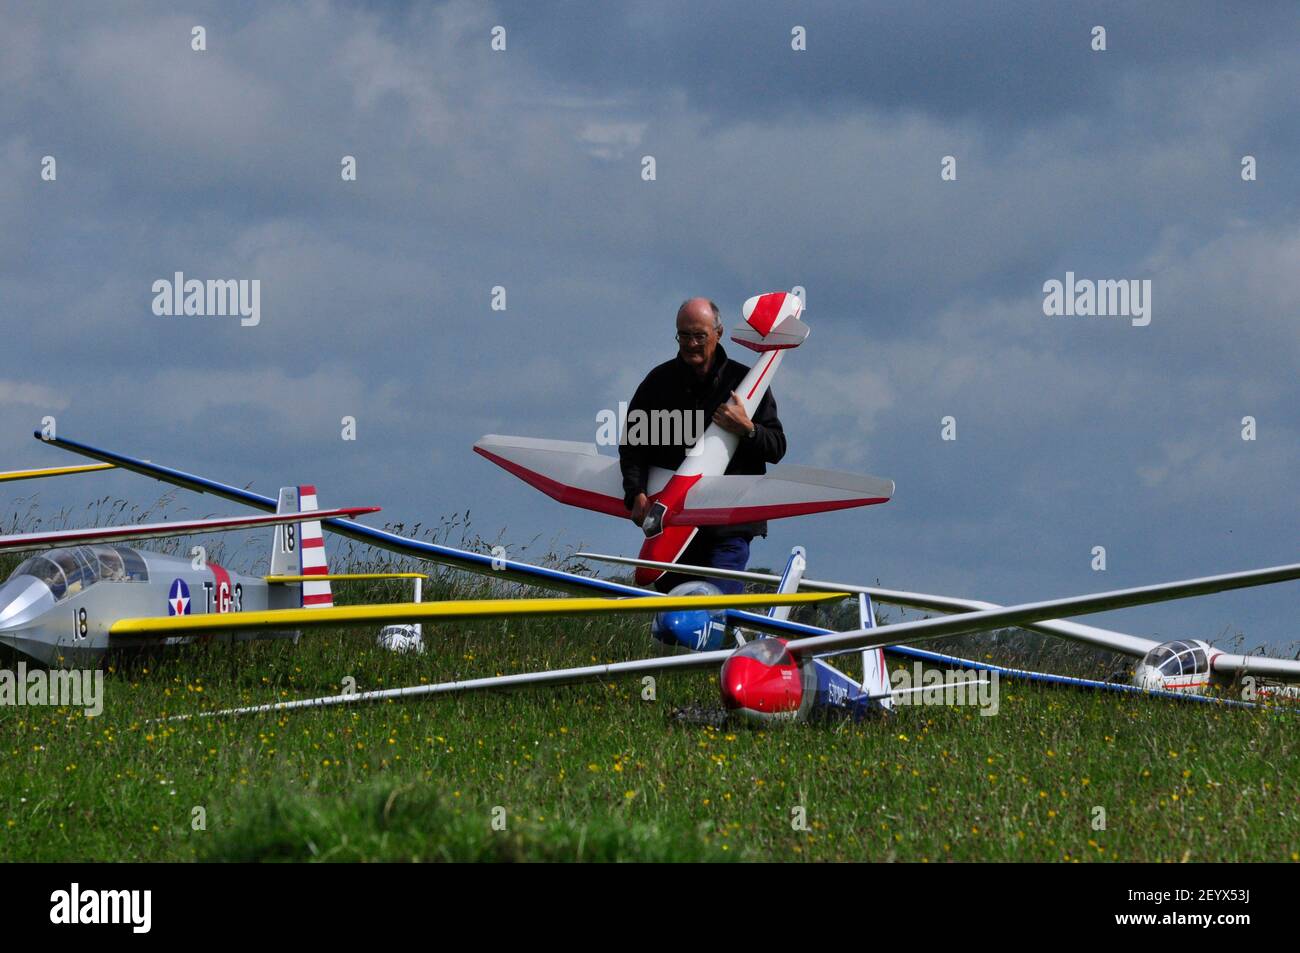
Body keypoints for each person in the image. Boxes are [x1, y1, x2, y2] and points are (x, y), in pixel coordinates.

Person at [619, 297, 786, 593]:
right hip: (672, 522)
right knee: (669, 616)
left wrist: (746, 429)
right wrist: (636, 492)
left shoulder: (744, 381)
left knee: (716, 607)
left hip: (729, 524)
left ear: (718, 333)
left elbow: (776, 447)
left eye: (699, 335)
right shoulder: (658, 383)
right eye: (684, 335)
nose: (691, 344)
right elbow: (633, 446)